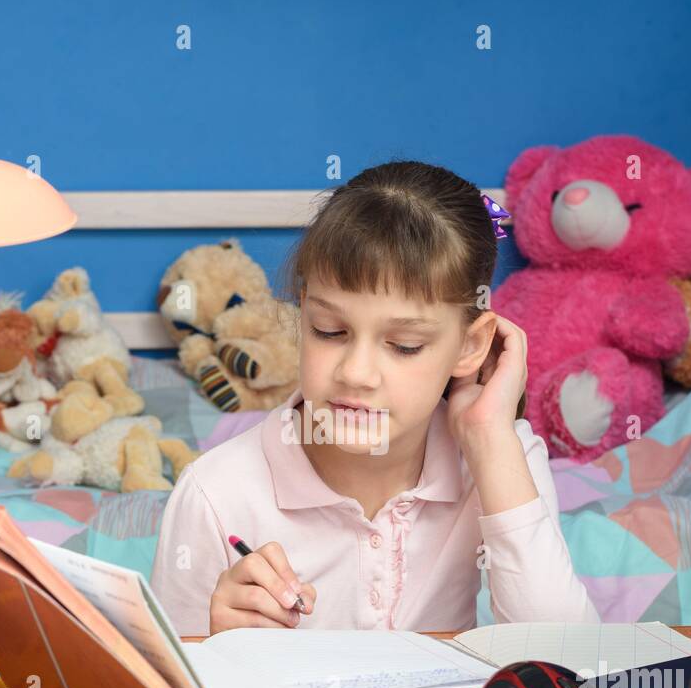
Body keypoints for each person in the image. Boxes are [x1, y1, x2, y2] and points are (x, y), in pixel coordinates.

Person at [151, 159, 598, 639]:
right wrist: (219, 647)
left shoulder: (500, 458)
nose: (356, 373)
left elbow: (568, 662)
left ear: (470, 346)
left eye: (404, 346)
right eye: (330, 331)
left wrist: (489, 440)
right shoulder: (214, 495)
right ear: (303, 315)